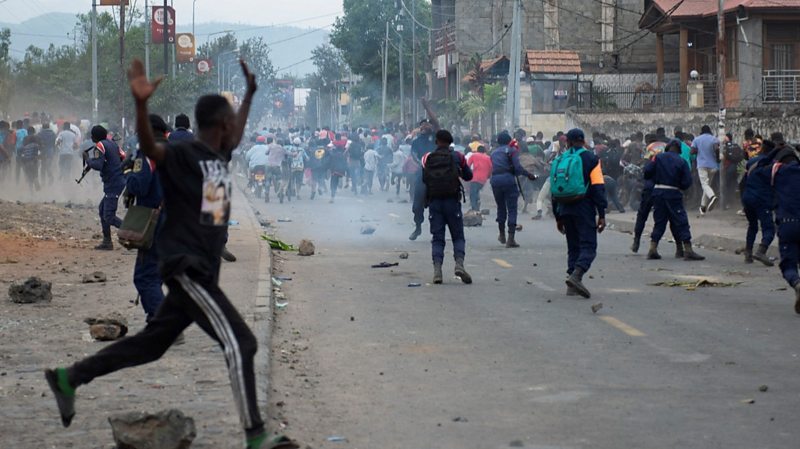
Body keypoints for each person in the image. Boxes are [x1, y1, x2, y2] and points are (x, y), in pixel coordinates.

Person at [45, 59, 296, 449]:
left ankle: (70, 377)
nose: (237, 125)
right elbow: (148, 147)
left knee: (151, 344)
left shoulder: (218, 155)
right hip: (186, 267)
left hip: (202, 269)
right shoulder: (185, 154)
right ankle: (256, 435)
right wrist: (141, 105)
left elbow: (239, 134)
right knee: (242, 343)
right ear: (219, 123)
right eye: (232, 118)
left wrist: (249, 95)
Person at [551, 129, 607, 298]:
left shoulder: (560, 159)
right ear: (583, 141)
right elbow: (598, 187)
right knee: (589, 246)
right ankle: (576, 276)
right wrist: (602, 213)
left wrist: (558, 216)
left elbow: (555, 191)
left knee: (573, 246)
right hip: (584, 207)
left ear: (567, 141)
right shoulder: (592, 159)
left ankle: (571, 282)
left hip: (565, 207)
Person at [125, 114, 169, 321]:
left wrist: (129, 174)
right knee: (157, 274)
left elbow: (139, 186)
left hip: (155, 220)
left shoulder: (148, 154)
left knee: (144, 277)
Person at [422, 129, 473, 285]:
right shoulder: (458, 156)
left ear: (436, 141)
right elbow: (468, 176)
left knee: (437, 238)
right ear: (451, 142)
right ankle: (459, 264)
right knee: (458, 236)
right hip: (452, 201)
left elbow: (424, 179)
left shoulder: (427, 157)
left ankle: (437, 271)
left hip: (435, 202)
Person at [644, 138, 704, 261]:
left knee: (659, 222)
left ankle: (652, 249)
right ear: (679, 150)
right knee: (681, 221)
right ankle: (688, 250)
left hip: (658, 193)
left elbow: (647, 171)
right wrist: (679, 186)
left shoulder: (658, 157)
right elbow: (687, 182)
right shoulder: (681, 161)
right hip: (673, 194)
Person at [490, 131, 536, 248]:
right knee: (512, 209)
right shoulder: (512, 151)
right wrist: (528, 175)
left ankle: (502, 234)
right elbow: (517, 167)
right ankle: (511, 239)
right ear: (509, 140)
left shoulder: (493, 153)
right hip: (508, 180)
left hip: (495, 181)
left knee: (501, 207)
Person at [85, 125, 126, 250]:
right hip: (117, 181)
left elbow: (98, 165)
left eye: (92, 135)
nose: (91, 137)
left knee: (108, 215)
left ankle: (134, 233)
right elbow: (123, 156)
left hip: (113, 183)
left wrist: (88, 160)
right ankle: (107, 242)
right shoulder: (112, 144)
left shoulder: (100, 146)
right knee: (102, 209)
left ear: (95, 136)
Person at [770, 143, 800, 314]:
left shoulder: (778, 175)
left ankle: (796, 283)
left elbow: (757, 166)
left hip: (788, 223)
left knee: (788, 263)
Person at [409, 98, 440, 241]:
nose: (427, 125)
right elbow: (414, 156)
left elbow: (436, 121)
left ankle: (436, 232)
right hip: (422, 173)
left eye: (429, 123)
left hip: (437, 173)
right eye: (424, 124)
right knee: (417, 205)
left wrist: (427, 107)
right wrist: (421, 163)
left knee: (438, 205)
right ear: (420, 128)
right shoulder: (416, 142)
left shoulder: (436, 136)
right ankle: (418, 227)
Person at [741, 139, 775, 266]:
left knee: (752, 226)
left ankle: (748, 254)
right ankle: (761, 251)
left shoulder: (751, 161)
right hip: (761, 199)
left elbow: (744, 180)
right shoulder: (771, 164)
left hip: (747, 198)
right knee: (769, 228)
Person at [692, 125, 720, 215]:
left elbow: (692, 151)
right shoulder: (714, 139)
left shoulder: (697, 139)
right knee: (707, 185)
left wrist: (698, 150)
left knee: (704, 184)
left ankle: (712, 196)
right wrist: (718, 158)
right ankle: (703, 207)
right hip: (713, 166)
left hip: (702, 165)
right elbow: (717, 149)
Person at [467, 144, 491, 212]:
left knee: (473, 193)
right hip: (483, 179)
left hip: (475, 177)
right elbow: (491, 168)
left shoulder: (474, 155)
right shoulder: (488, 158)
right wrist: (488, 176)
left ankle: (474, 208)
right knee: (476, 191)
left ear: (477, 150)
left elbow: (467, 166)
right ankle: (477, 205)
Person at [328, 134, 348, 203]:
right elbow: (345, 164)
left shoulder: (333, 153)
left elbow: (330, 162)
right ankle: (337, 188)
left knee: (333, 183)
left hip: (334, 171)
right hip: (341, 171)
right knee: (338, 181)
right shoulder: (343, 155)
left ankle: (332, 196)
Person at [265, 137, 286, 203]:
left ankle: (267, 193)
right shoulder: (282, 149)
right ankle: (280, 187)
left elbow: (266, 152)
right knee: (279, 178)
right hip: (277, 166)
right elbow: (289, 154)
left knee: (268, 180)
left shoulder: (272, 147)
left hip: (269, 166)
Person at [38, 121, 57, 186]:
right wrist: (54, 151)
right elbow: (55, 143)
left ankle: (43, 181)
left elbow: (38, 143)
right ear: (49, 127)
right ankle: (50, 176)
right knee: (48, 166)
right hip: (50, 152)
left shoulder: (40, 134)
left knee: (43, 167)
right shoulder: (53, 134)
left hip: (43, 152)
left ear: (43, 127)